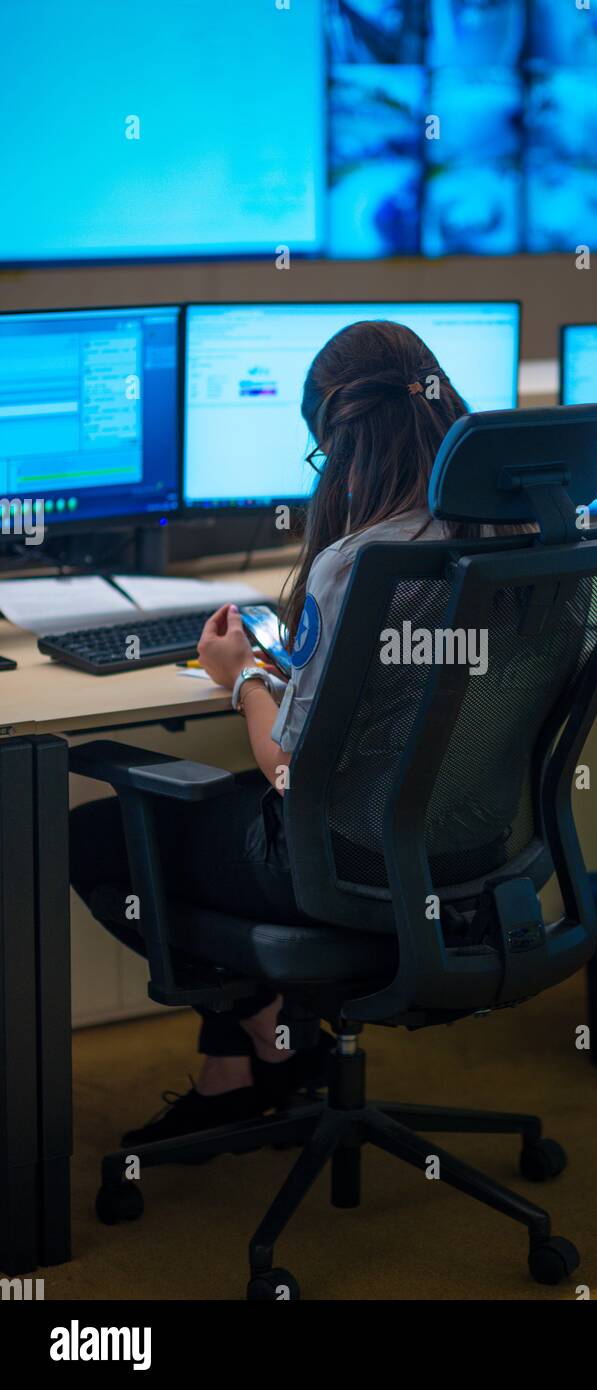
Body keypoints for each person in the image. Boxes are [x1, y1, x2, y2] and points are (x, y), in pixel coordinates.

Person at [70, 319, 509, 1147]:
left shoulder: (365, 561)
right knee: (209, 819)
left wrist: (242, 678)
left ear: (338, 442)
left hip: (341, 861)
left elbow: (285, 769)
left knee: (91, 838)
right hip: (476, 852)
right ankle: (250, 1052)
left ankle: (258, 1022)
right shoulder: (521, 536)